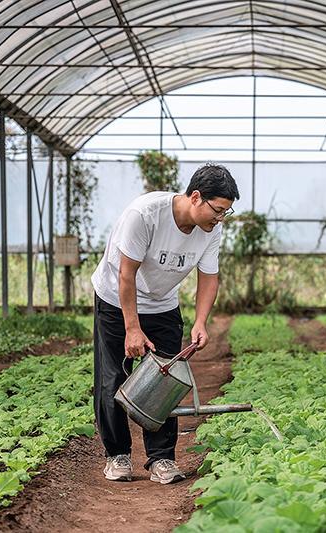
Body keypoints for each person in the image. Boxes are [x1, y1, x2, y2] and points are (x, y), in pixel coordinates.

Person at [91, 164, 239, 483]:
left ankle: (161, 459)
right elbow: (125, 274)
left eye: (226, 212)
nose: (220, 218)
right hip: (117, 299)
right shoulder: (145, 214)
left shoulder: (211, 230)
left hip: (162, 304)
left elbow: (209, 277)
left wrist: (200, 322)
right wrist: (132, 328)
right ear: (196, 197)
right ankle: (117, 455)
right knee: (113, 375)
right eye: (217, 210)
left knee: (167, 376)